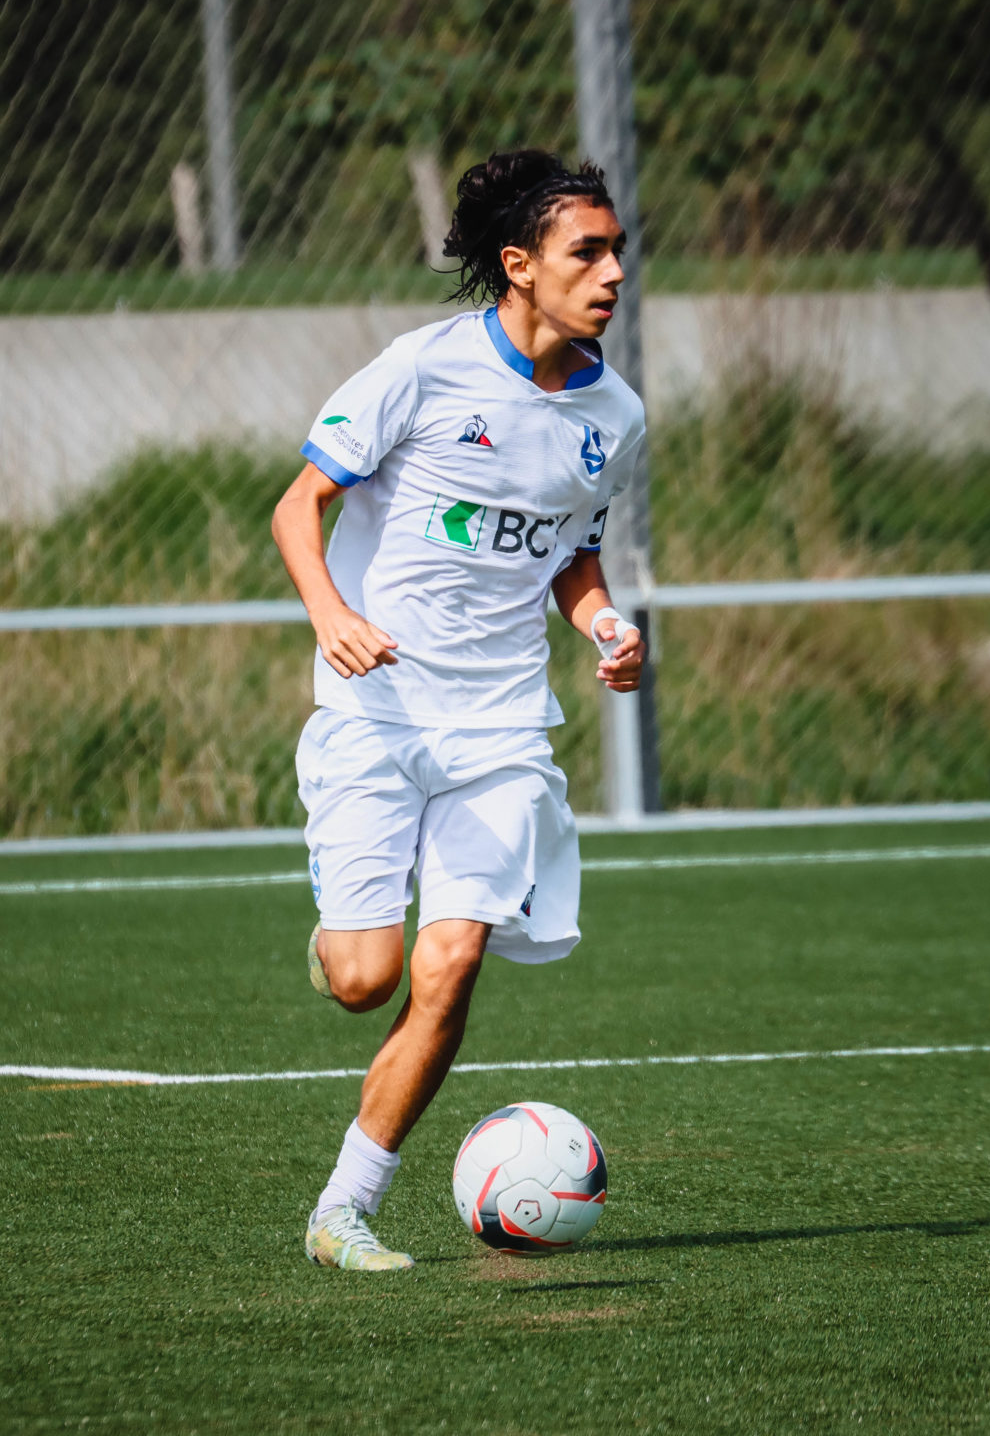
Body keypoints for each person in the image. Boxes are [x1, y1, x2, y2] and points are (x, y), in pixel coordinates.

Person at [271, 148, 646, 1271]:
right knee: (366, 981)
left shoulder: (614, 415)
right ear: (519, 264)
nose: (613, 272)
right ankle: (338, 942)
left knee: (450, 968)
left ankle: (343, 1212)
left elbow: (571, 557)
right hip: (376, 715)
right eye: (588, 252)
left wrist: (603, 625)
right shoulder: (420, 369)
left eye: (618, 250)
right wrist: (332, 616)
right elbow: (298, 506)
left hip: (500, 730)